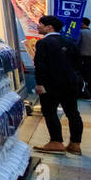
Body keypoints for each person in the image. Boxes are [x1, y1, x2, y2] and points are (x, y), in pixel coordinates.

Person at [34, 15, 83, 154]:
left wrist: (39, 83)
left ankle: (56, 142)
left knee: (50, 112)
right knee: (73, 113)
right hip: (71, 84)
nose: (38, 26)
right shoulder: (69, 42)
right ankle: (75, 144)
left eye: (41, 24)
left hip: (51, 85)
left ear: (49, 27)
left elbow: (40, 65)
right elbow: (77, 64)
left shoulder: (43, 43)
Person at [79, 17, 91, 99]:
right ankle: (90, 93)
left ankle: (85, 94)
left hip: (82, 58)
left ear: (82, 23)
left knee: (82, 77)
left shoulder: (80, 33)